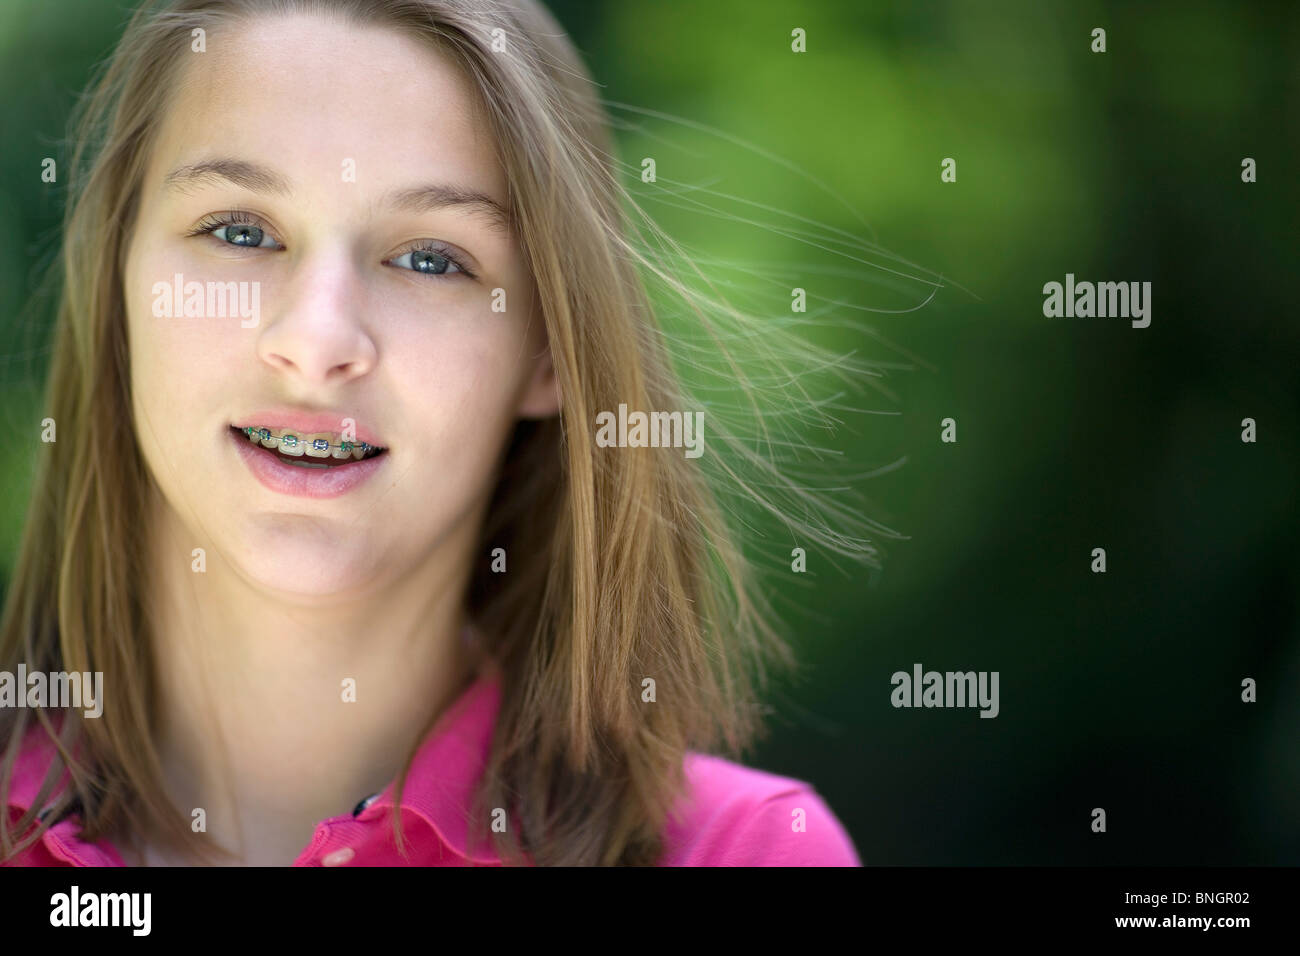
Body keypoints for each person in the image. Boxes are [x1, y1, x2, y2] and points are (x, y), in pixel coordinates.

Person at [1, 0, 865, 867]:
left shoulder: (744, 852)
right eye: (238, 231)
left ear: (549, 353)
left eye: (430, 259)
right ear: (116, 281)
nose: (318, 341)